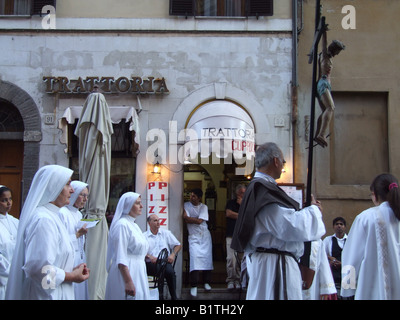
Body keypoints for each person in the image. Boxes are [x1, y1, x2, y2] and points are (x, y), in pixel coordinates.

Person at [231, 142, 326, 300]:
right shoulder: (262, 190)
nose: (283, 165)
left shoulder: (261, 189)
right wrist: (314, 211)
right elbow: (289, 227)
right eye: (283, 161)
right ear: (275, 161)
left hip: (269, 264)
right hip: (274, 267)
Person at [5, 165, 90, 300]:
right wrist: (71, 276)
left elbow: (51, 262)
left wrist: (71, 269)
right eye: (68, 184)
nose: (72, 190)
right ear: (53, 187)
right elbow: (40, 271)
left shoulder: (53, 216)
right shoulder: (44, 220)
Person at [341, 173, 400, 300]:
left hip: (372, 289)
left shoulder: (366, 218)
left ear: (374, 194)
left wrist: (347, 289)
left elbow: (351, 256)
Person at [105, 192, 150, 300]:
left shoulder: (134, 225)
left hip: (138, 270)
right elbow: (121, 256)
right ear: (128, 206)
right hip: (128, 272)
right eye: (138, 203)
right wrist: (128, 281)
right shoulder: (122, 225)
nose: (142, 206)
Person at [314, 25, 345, 148]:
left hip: (324, 85)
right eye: (338, 51)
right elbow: (323, 43)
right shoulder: (325, 55)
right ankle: (321, 134)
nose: (338, 53)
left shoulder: (328, 57)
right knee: (331, 108)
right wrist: (323, 32)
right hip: (323, 84)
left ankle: (318, 134)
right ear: (334, 49)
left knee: (324, 111)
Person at [58, 181, 90, 300]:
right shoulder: (62, 213)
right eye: (82, 195)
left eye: (87, 196)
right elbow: (60, 242)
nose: (85, 199)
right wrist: (78, 234)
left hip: (80, 256)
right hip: (68, 259)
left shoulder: (79, 215)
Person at [183, 188, 213, 297]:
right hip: (193, 237)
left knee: (206, 258)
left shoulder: (204, 207)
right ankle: (194, 285)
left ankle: (206, 282)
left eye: (194, 196)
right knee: (194, 260)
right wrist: (193, 219)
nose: (191, 197)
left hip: (204, 236)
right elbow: (185, 218)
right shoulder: (186, 205)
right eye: (191, 195)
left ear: (199, 198)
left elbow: (200, 221)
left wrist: (191, 219)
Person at [144, 214, 181, 300]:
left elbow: (178, 245)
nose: (158, 222)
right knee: (161, 271)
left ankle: (173, 297)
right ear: (149, 223)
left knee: (170, 272)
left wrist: (173, 254)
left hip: (164, 262)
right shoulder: (144, 236)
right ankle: (159, 296)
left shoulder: (165, 233)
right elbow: (140, 251)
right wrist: (149, 256)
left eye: (158, 220)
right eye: (155, 221)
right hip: (151, 264)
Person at [225, 184, 246, 290]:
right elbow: (228, 214)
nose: (243, 194)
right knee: (231, 259)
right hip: (231, 234)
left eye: (244, 192)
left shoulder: (246, 204)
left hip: (242, 235)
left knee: (241, 259)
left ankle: (239, 280)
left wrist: (242, 206)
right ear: (237, 193)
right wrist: (241, 216)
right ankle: (231, 280)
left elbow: (248, 217)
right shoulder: (231, 203)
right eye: (242, 192)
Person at [0, 186, 19, 299]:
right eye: (4, 200)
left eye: (10, 199)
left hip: (15, 277)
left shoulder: (15, 221)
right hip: (3, 278)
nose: (8, 203)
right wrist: (10, 270)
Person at [323, 216, 348, 298]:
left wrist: (343, 264)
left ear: (345, 227)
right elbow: (321, 254)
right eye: (337, 224)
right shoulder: (328, 240)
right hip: (332, 275)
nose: (339, 226)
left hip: (347, 276)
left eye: (341, 224)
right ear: (333, 227)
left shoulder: (350, 240)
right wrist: (331, 259)